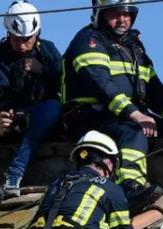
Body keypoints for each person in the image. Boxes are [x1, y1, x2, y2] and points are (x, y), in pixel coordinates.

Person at [61, 0, 163, 215]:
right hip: (87, 116)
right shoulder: (88, 40)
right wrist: (133, 113)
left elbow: (155, 92)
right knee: (133, 132)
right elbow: (100, 84)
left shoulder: (134, 47)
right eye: (115, 14)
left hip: (122, 115)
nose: (122, 19)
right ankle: (130, 188)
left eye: (126, 14)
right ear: (100, 15)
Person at [0, 1, 63, 198]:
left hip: (49, 121)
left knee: (53, 106)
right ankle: (14, 172)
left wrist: (43, 70)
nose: (23, 46)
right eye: (17, 40)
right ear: (8, 34)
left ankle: (16, 169)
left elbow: (67, 81)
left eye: (28, 39)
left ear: (37, 33)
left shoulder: (48, 51)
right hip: (15, 128)